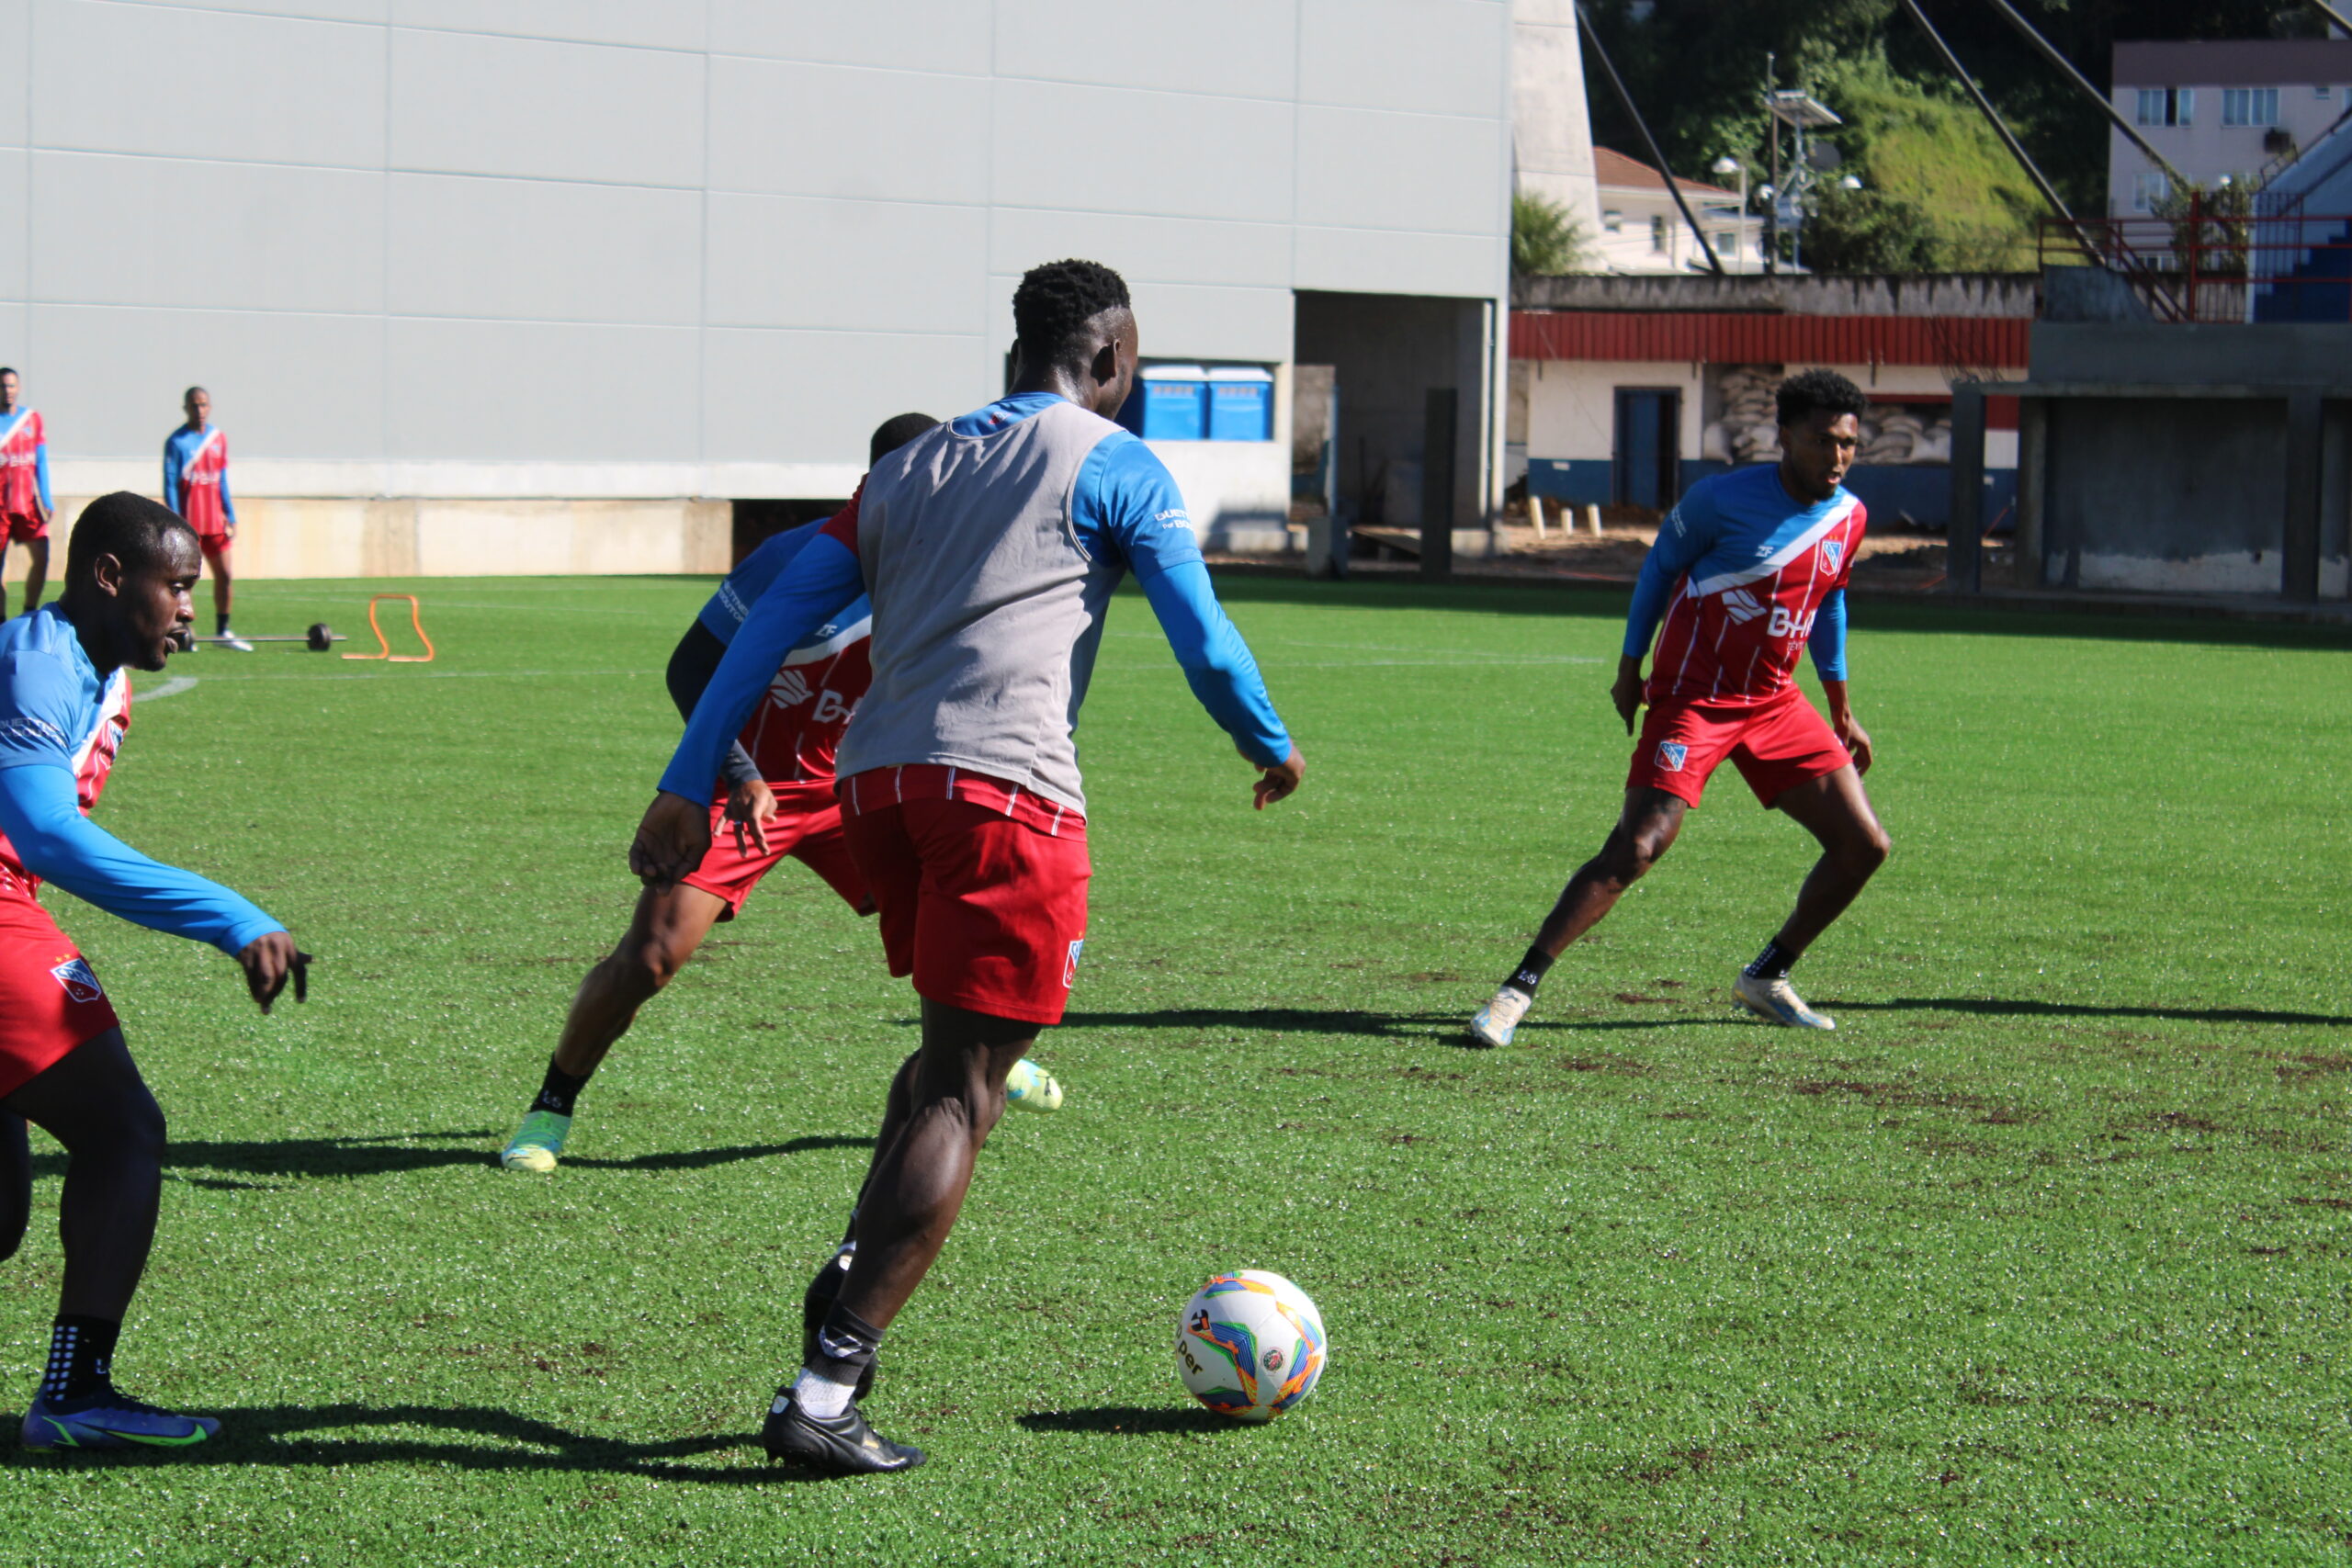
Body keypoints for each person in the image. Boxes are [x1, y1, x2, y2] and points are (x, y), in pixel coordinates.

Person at [630, 259, 1305, 1474]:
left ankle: (855, 1253)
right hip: (1005, 793)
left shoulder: (906, 467)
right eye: (1134, 360)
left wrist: (689, 778)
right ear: (1106, 356)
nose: (1131, 379)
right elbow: (1204, 636)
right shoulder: (1114, 460)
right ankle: (828, 1386)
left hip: (876, 787)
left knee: (944, 1060)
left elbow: (776, 618)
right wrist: (1266, 737)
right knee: (967, 1093)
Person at [500, 412, 1058, 1172]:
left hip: (862, 779)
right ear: (884, 483)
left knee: (951, 917)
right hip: (751, 786)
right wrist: (738, 773)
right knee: (653, 954)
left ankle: (979, 1057)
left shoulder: (954, 569)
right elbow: (689, 671)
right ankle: (548, 1110)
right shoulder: (793, 558)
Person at [0, 491, 303, 1450]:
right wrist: (232, 917)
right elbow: (46, 834)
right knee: (124, 1128)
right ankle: (78, 1394)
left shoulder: (105, 672)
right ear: (107, 577)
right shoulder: (40, 668)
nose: (188, 606)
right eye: (174, 586)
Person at [1468, 368, 1891, 1047]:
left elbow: (1831, 599)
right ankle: (1517, 989)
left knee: (1864, 844)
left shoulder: (1851, 515)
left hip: (1776, 702)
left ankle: (1767, 975)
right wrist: (1629, 669)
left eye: (1848, 444)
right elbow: (1658, 572)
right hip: (1695, 698)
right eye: (1822, 442)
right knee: (1637, 847)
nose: (1837, 457)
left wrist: (1842, 707)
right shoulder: (1719, 501)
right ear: (1783, 437)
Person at [162, 387, 250, 651]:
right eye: (193, 406)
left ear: (209, 407)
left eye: (203, 405)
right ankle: (182, 631)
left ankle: (223, 631)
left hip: (215, 523)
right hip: (190, 525)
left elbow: (221, 479)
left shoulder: (217, 438)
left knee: (226, 574)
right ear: (185, 409)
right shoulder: (176, 442)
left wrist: (230, 514)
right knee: (184, 581)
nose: (199, 411)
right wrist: (176, 520)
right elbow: (170, 484)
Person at [0, 368, 54, 623]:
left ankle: (29, 609)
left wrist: (46, 498)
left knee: (42, 556)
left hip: (27, 505)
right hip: (1, 507)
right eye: (3, 386)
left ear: (18, 388)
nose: (7, 391)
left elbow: (40, 461)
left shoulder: (32, 420)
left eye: (11, 386)